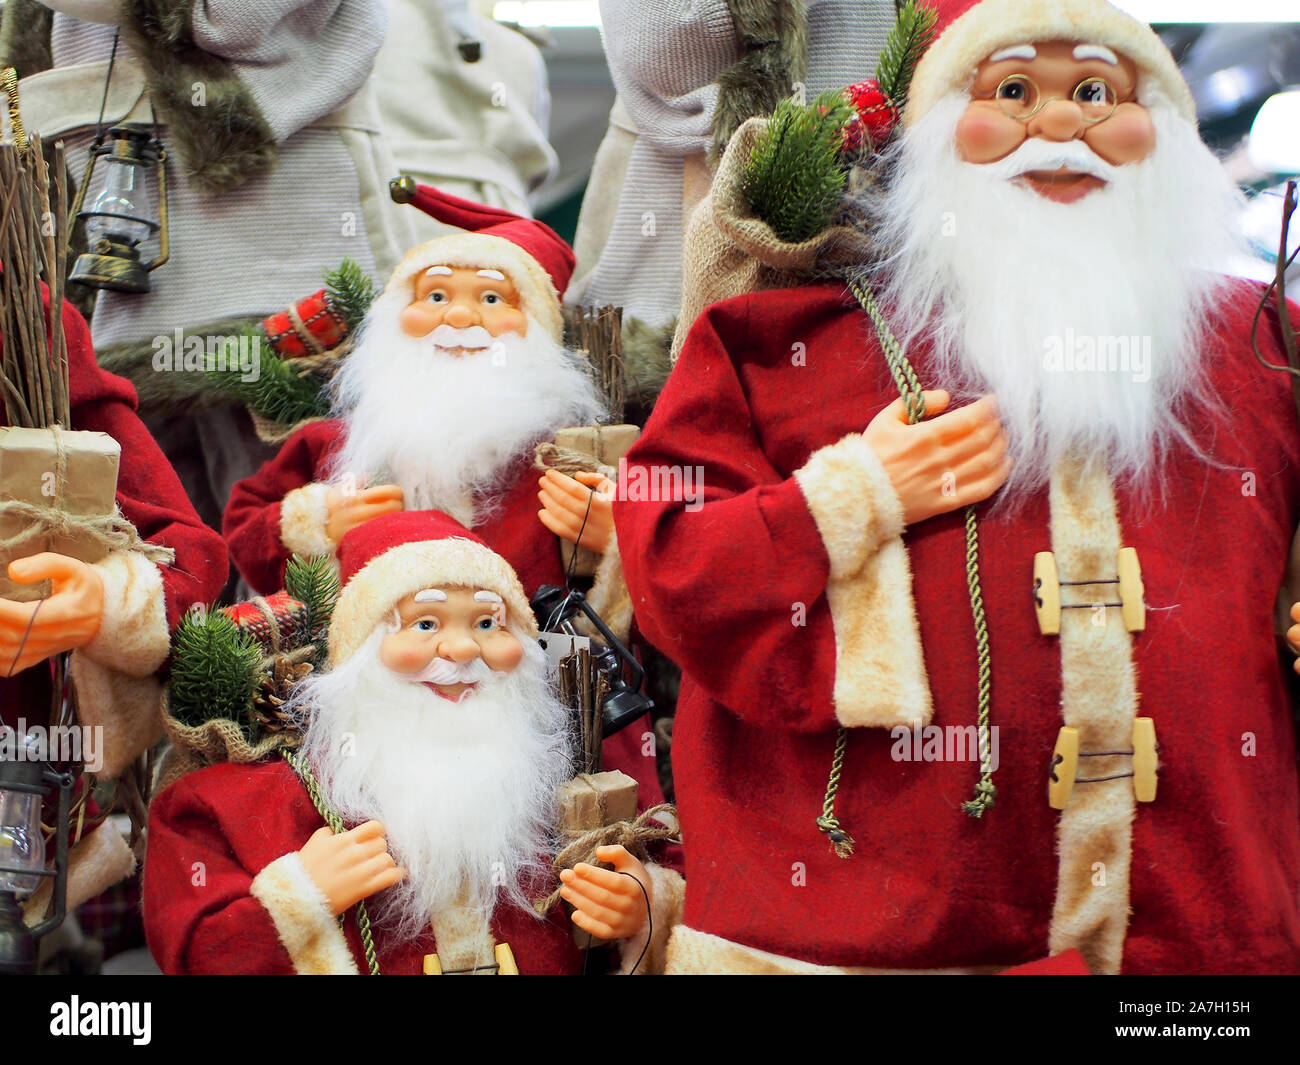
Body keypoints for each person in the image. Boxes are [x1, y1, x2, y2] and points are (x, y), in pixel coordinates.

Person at [614, 0, 1300, 974]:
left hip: (1201, 941)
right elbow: (674, 567)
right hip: (878, 938)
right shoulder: (787, 348)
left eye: (1096, 92)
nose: (1059, 125)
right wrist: (851, 498)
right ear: (935, 136)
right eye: (1013, 90)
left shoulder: (1261, 346)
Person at [143, 511, 681, 974]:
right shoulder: (256, 802)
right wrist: (300, 898)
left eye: (490, 622)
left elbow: (696, 888)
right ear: (360, 652)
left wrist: (645, 910)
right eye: (425, 623)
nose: (463, 647)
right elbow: (195, 949)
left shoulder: (568, 780)